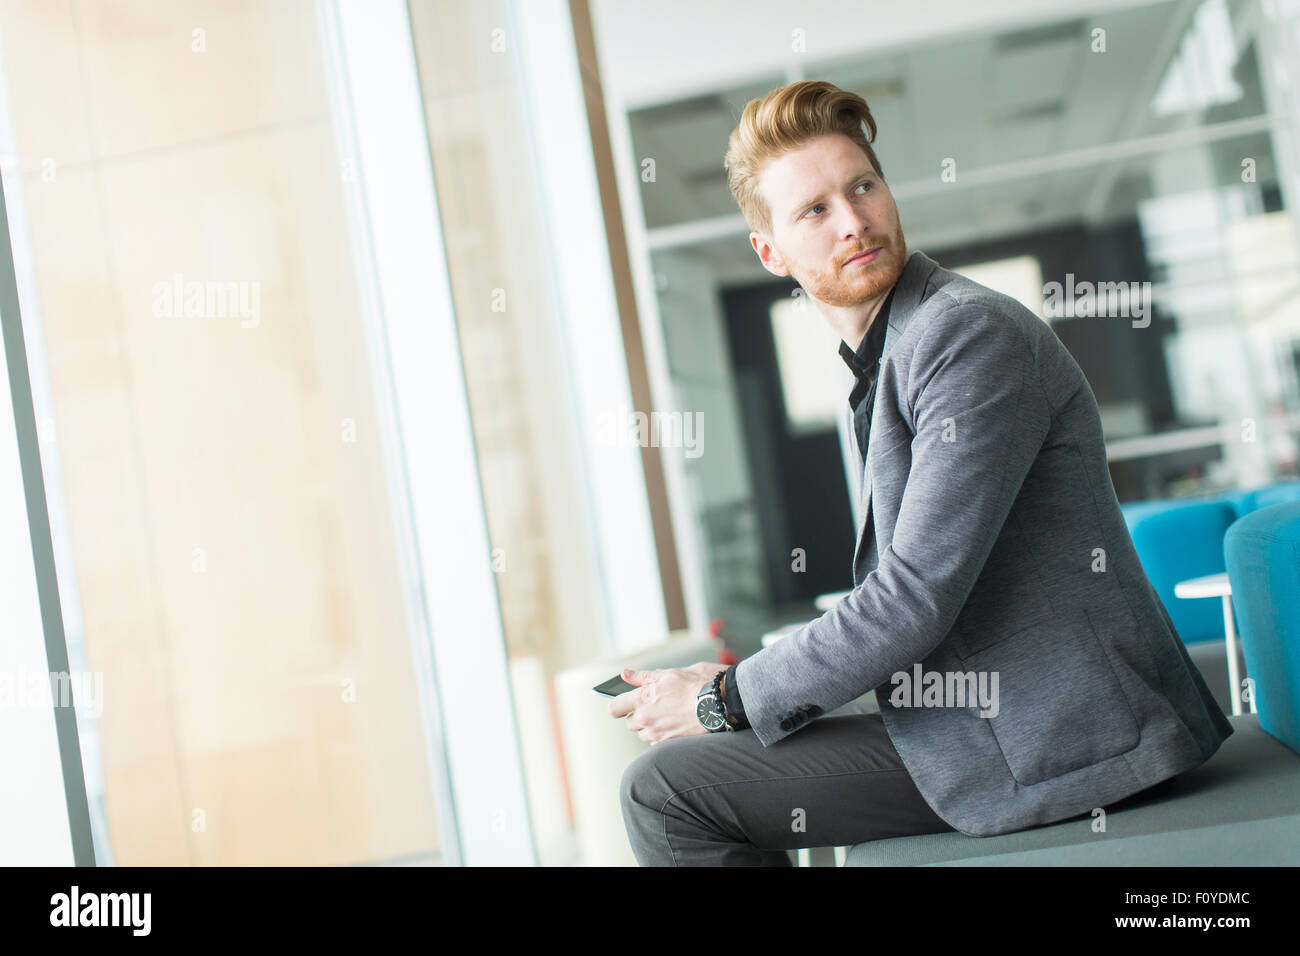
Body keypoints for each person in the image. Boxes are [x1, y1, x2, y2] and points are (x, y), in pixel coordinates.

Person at [611, 80, 1233, 866]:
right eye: (815, 210)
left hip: (1065, 732)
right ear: (770, 252)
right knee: (680, 777)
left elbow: (913, 599)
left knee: (666, 793)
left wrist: (722, 699)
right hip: (994, 710)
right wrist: (743, 686)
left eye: (862, 186)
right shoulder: (890, 358)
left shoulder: (963, 335)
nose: (854, 221)